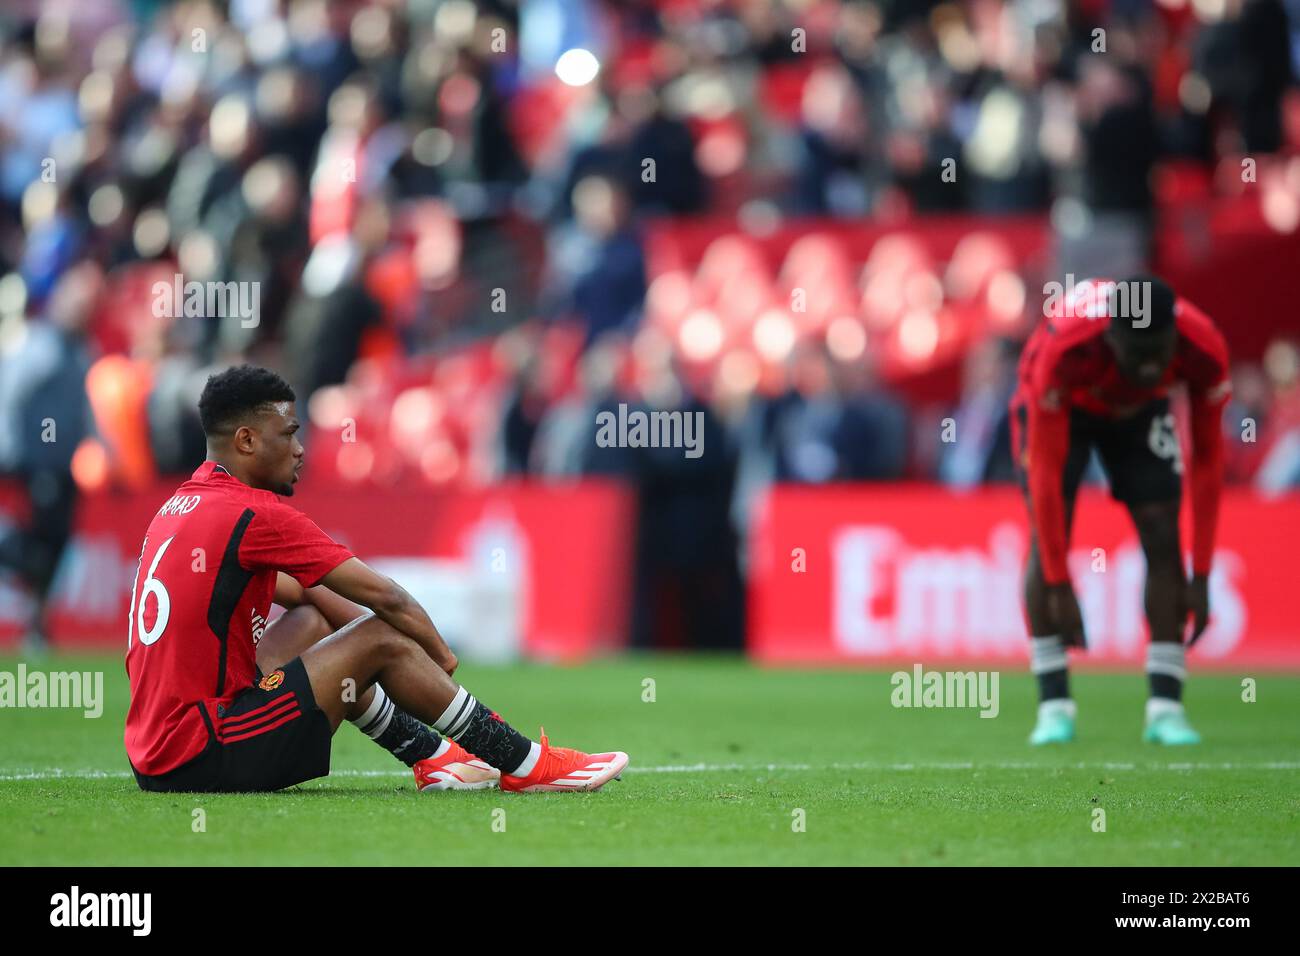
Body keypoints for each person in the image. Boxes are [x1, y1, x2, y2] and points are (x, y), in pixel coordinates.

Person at [124, 365, 628, 793]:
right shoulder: (254, 513)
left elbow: (304, 592)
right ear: (247, 440)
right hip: (203, 749)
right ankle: (523, 764)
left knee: (317, 621)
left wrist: (364, 652)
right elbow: (388, 598)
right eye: (289, 434)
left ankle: (432, 755)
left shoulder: (179, 508)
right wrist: (436, 656)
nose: (300, 449)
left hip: (156, 748)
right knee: (382, 636)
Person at [1009, 276, 1229, 746]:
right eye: (1138, 355)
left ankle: (1166, 710)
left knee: (1163, 532)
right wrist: (1058, 581)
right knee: (1046, 535)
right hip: (1064, 405)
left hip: (1140, 414)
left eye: (1159, 353)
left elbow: (1208, 460)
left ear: (1174, 334)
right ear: (1110, 334)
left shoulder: (1204, 347)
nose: (1151, 369)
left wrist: (1204, 573)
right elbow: (1045, 474)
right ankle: (1054, 708)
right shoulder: (1065, 347)